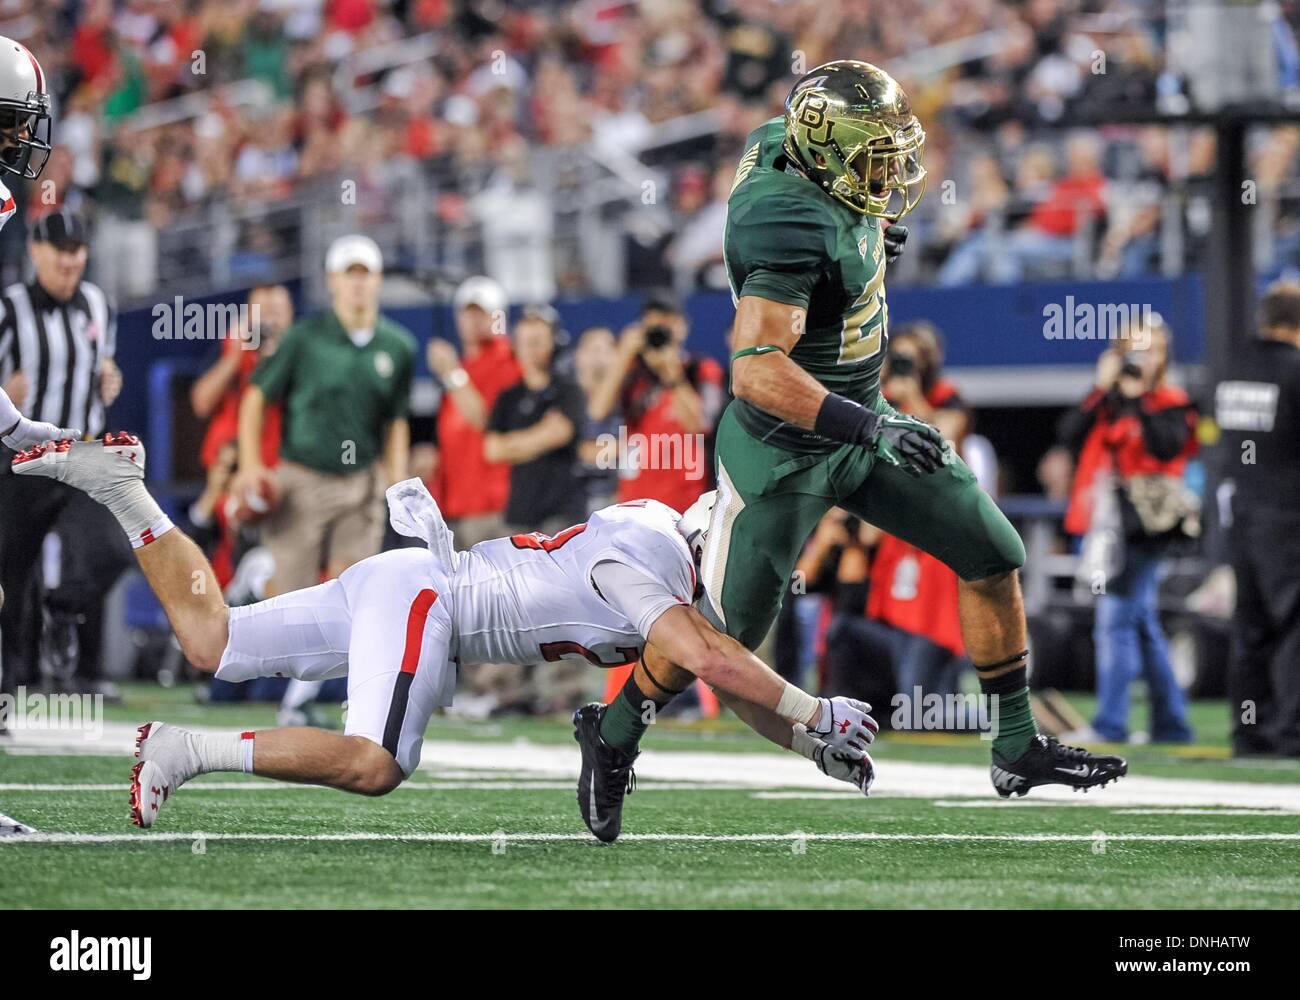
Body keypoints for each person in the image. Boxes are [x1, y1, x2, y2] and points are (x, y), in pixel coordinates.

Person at [578, 61, 1126, 834]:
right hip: (786, 449)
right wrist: (870, 423)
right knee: (721, 636)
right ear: (827, 155)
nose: (895, 169)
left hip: (864, 416)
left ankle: (1014, 745)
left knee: (993, 550)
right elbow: (757, 373)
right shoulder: (785, 223)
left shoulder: (790, 146)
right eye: (876, 155)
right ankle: (612, 732)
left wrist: (864, 231)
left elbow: (824, 207)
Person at [12, 434, 878, 844]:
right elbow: (713, 658)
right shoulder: (647, 559)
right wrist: (815, 708)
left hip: (409, 588)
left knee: (211, 640)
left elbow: (720, 674)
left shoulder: (661, 558)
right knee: (376, 762)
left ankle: (126, 493)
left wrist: (808, 740)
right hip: (428, 597)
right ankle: (187, 750)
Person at [230, 235, 415, 724]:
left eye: (366, 273)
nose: (358, 283)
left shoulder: (397, 345)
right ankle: (257, 582)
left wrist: (396, 477)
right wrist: (250, 464)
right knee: (295, 606)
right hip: (303, 479)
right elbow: (255, 397)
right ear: (333, 281)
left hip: (362, 483)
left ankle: (301, 704)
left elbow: (396, 419)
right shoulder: (305, 338)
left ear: (377, 280)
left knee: (352, 593)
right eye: (349, 273)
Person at [0, 211, 128, 699]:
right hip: (22, 461)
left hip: (82, 453)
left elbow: (104, 363)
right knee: (11, 574)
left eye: (78, 250)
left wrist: (109, 377)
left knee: (112, 551)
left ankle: (62, 610)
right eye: (61, 250)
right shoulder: (9, 309)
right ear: (36, 251)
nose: (70, 260)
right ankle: (12, 684)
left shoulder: (98, 303)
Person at [1060, 318, 1197, 744]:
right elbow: (1069, 435)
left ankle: (1111, 723)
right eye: (1136, 350)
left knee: (1115, 620)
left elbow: (1165, 447)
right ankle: (1171, 723)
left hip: (1145, 524)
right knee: (1140, 623)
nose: (1145, 359)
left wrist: (1137, 399)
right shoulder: (1110, 399)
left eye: (1154, 349)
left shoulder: (1171, 400)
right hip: (1107, 521)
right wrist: (1100, 389)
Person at [1215, 280, 1300, 756]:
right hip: (1289, 520)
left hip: (1242, 518)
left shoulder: (1232, 368)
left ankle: (1250, 732)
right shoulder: (1295, 370)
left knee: (1250, 628)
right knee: (1294, 625)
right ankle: (1292, 732)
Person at [587, 293, 724, 517]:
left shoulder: (700, 369)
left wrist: (672, 373)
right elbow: (597, 410)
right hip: (634, 500)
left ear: (683, 327)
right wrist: (623, 354)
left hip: (685, 502)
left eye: (668, 322)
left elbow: (700, 425)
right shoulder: (632, 372)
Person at [428, 276, 521, 549]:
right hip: (457, 504)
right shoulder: (466, 365)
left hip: (493, 505)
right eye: (468, 313)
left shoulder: (509, 362)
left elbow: (486, 420)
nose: (475, 321)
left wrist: (450, 372)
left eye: (483, 313)